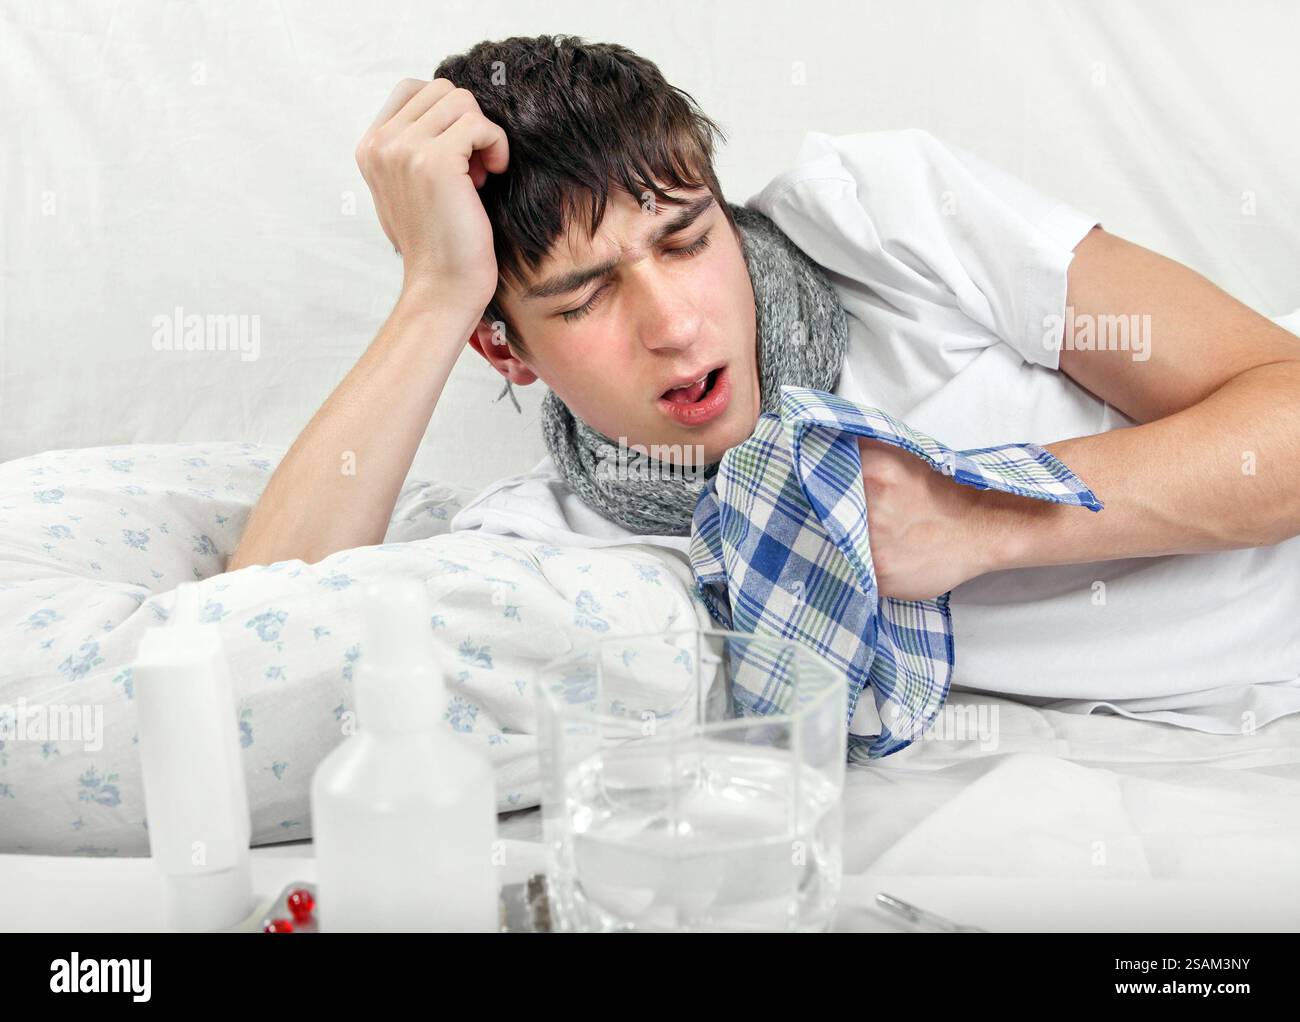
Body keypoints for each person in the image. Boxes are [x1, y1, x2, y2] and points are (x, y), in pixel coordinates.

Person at [229, 34, 1300, 735]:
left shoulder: (883, 218)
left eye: (687, 239)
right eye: (584, 298)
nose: (673, 322)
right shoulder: (551, 542)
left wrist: (979, 514)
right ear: (504, 350)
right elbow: (242, 648)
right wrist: (435, 293)